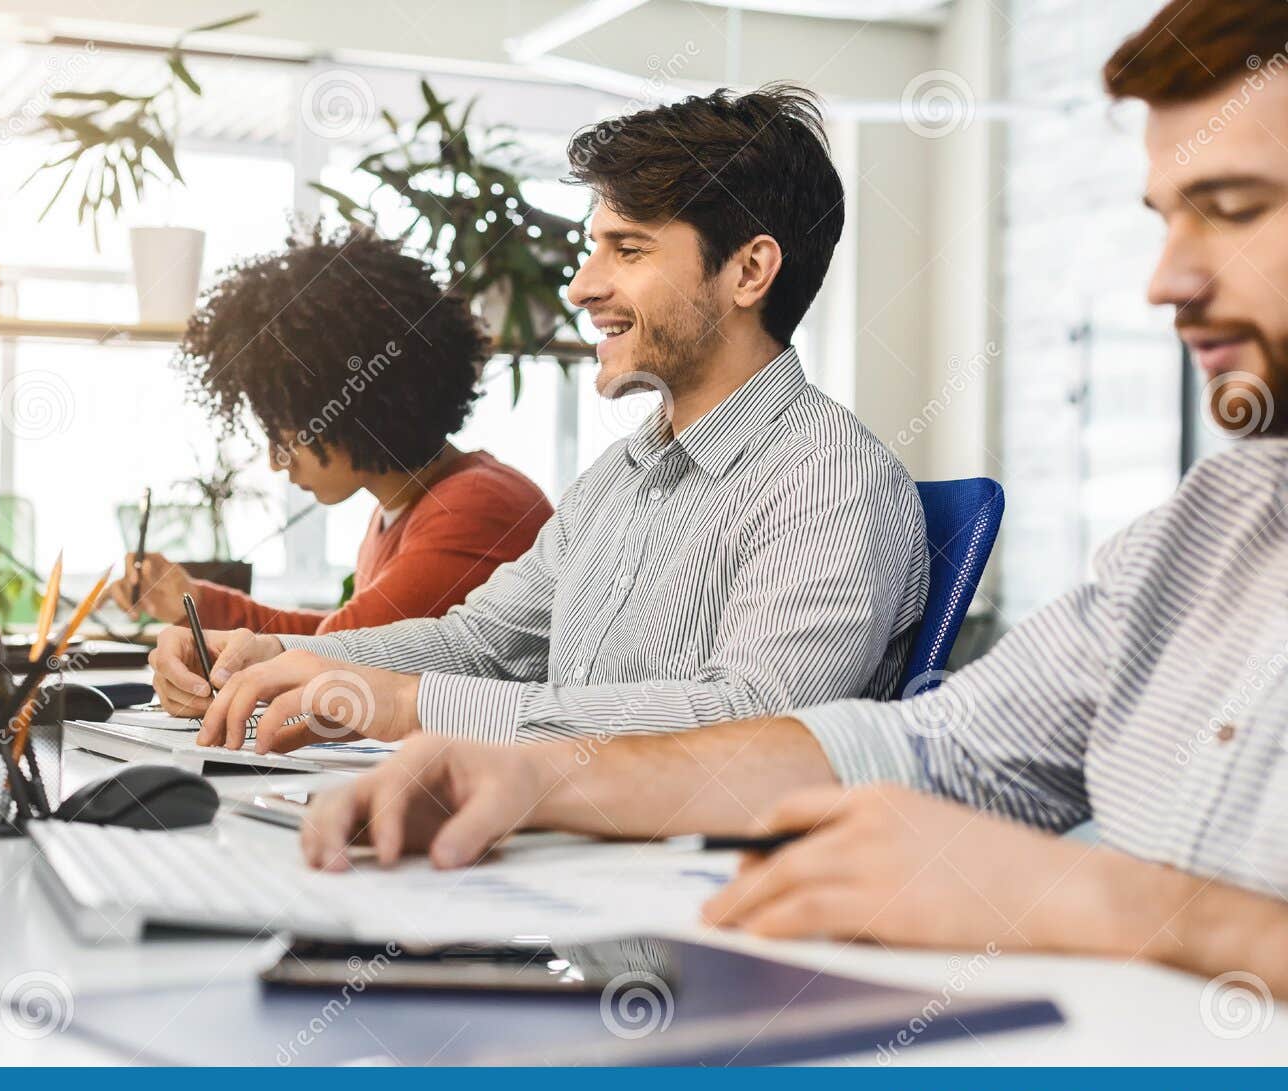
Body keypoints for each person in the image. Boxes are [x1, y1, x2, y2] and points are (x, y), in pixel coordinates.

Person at [296, 0, 1288, 994]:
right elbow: (928, 749)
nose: (1164, 281)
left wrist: (1098, 898)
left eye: (1237, 207)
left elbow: (760, 705)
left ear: (750, 269)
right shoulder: (1203, 530)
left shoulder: (831, 476)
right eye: (1164, 219)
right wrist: (531, 771)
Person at [152, 85, 929, 753]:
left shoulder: (830, 482)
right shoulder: (618, 481)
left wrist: (402, 704)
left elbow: (747, 726)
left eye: (627, 249)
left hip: (674, 909)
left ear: (749, 271)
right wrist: (275, 654)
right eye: (594, 248)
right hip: (550, 861)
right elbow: (482, 646)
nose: (582, 286)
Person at [108, 230, 553, 635]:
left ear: (356, 407)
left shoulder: (475, 506)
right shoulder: (404, 508)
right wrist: (196, 602)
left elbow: (335, 652)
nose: (275, 460)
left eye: (286, 434)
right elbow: (345, 638)